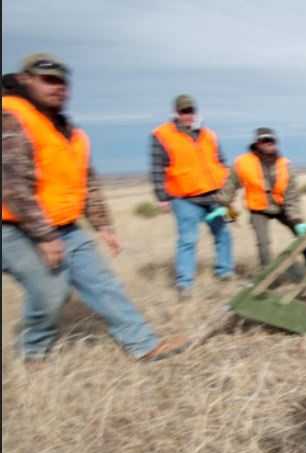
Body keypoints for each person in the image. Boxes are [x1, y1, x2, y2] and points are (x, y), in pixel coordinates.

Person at [2, 54, 187, 363]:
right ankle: (32, 353)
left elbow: (86, 183)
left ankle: (142, 345)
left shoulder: (70, 132)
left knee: (102, 283)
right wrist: (45, 237)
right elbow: (12, 184)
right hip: (14, 228)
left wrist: (103, 226)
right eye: (47, 80)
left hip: (64, 225)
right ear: (26, 80)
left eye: (62, 81)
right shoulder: (11, 118)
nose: (57, 87)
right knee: (51, 290)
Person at [151, 94, 232, 299]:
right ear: (176, 113)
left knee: (224, 234)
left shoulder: (209, 135)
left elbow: (221, 162)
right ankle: (184, 284)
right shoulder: (162, 135)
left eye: (190, 111)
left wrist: (225, 192)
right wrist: (162, 196)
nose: (188, 115)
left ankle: (225, 273)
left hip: (214, 196)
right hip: (184, 198)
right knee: (188, 240)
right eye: (183, 111)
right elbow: (157, 168)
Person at [222, 127, 306, 272]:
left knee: (303, 233)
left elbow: (292, 195)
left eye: (271, 140)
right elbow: (230, 185)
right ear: (257, 143)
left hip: (281, 207)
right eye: (264, 140)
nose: (269, 143)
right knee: (263, 243)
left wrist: (296, 220)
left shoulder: (284, 165)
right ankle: (267, 275)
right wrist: (225, 206)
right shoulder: (242, 162)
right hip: (258, 209)